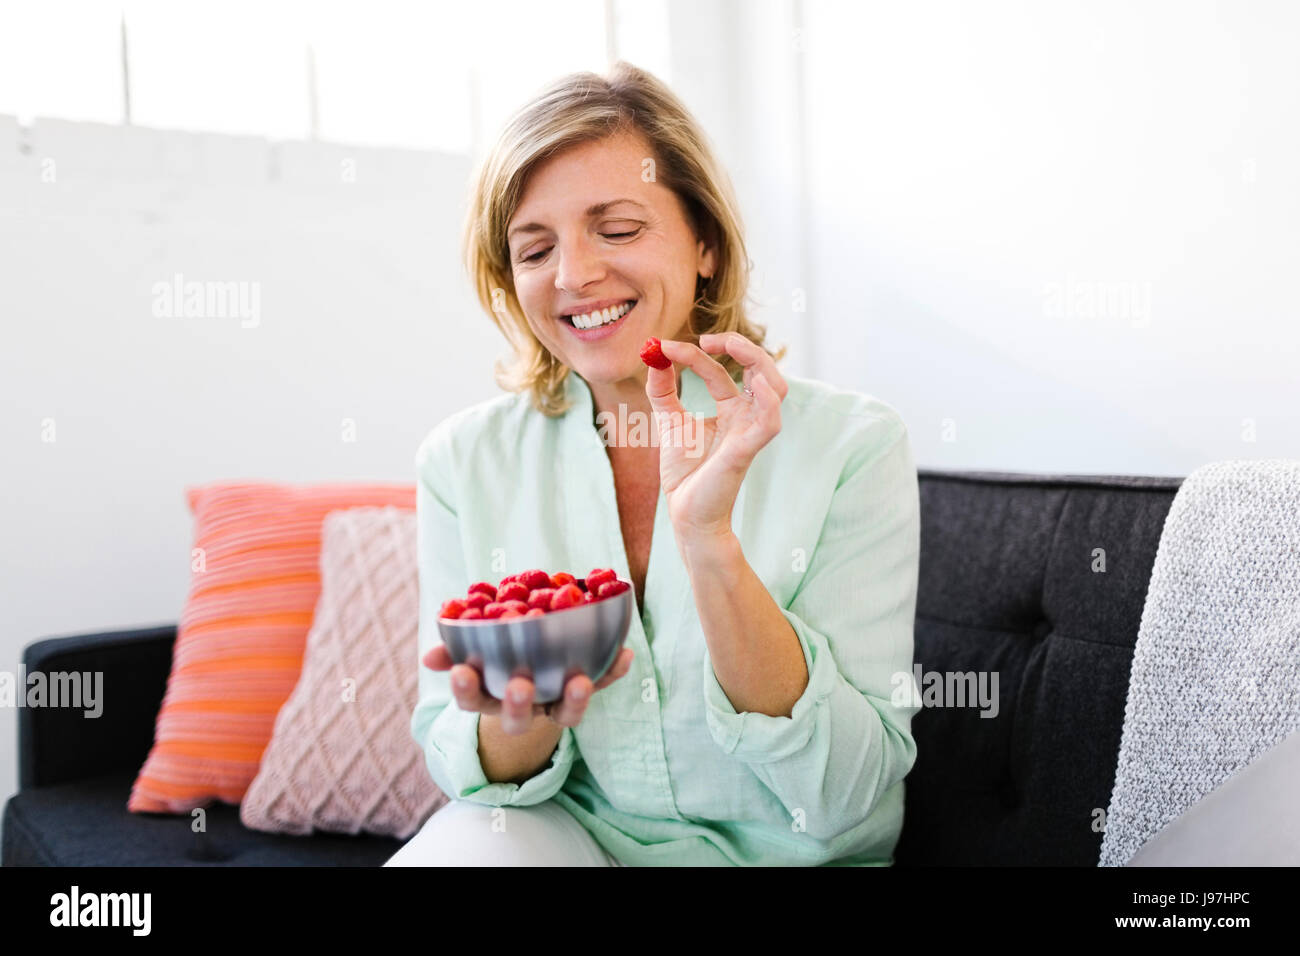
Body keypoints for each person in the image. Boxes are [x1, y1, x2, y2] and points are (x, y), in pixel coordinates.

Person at [384, 61, 921, 867]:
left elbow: (849, 792)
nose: (573, 275)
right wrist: (516, 720)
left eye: (618, 229)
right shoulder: (464, 461)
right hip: (569, 841)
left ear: (704, 243)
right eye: (535, 249)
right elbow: (464, 765)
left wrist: (708, 543)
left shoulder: (853, 444)